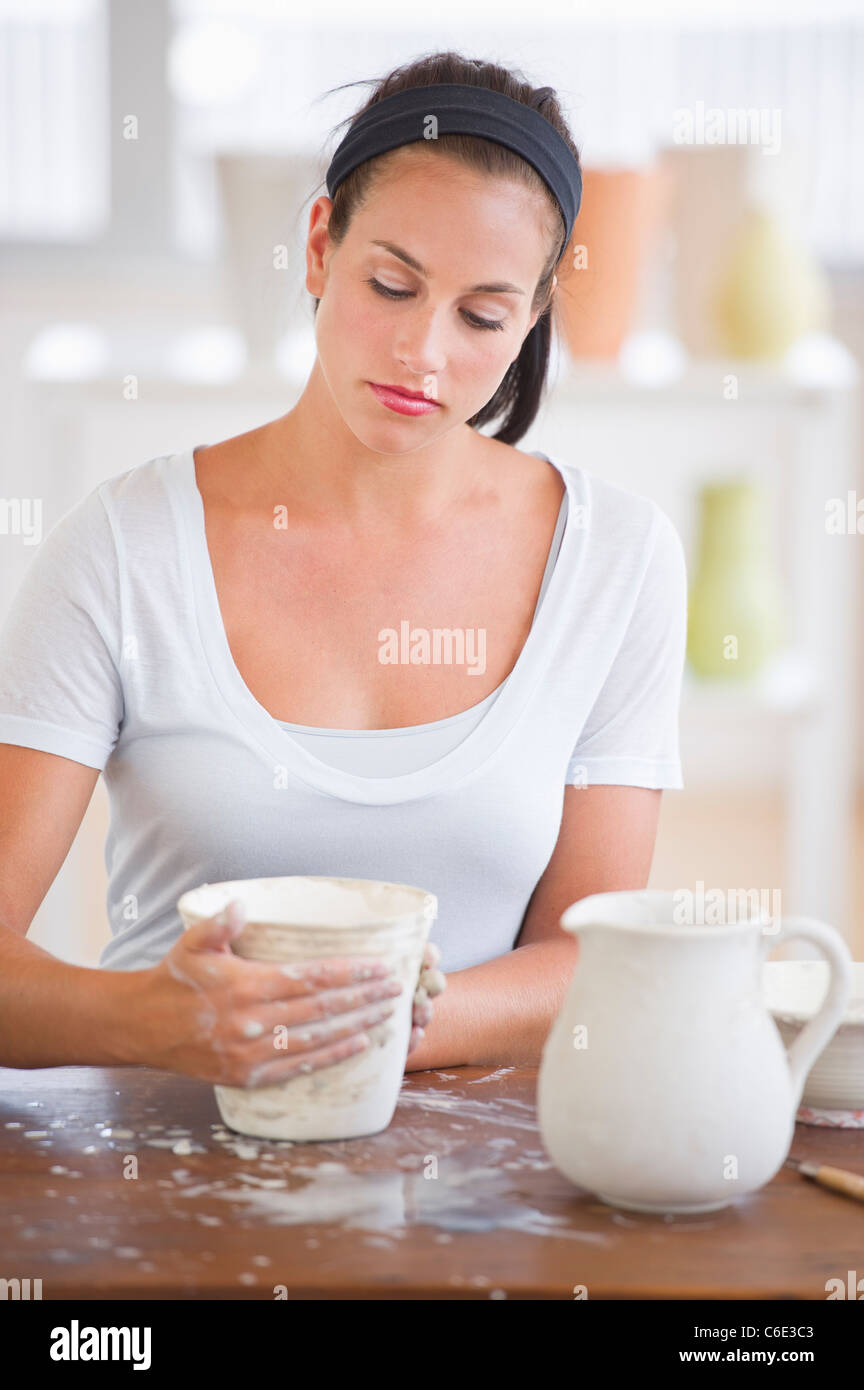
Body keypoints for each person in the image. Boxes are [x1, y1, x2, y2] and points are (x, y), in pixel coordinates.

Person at [0, 51, 687, 1088]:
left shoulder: (617, 561)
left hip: (475, 1209)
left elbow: (585, 953)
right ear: (321, 245)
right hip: (160, 1186)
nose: (422, 352)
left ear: (536, 316)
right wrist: (155, 1020)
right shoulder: (124, 545)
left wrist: (361, 1028)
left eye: (482, 316)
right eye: (392, 284)